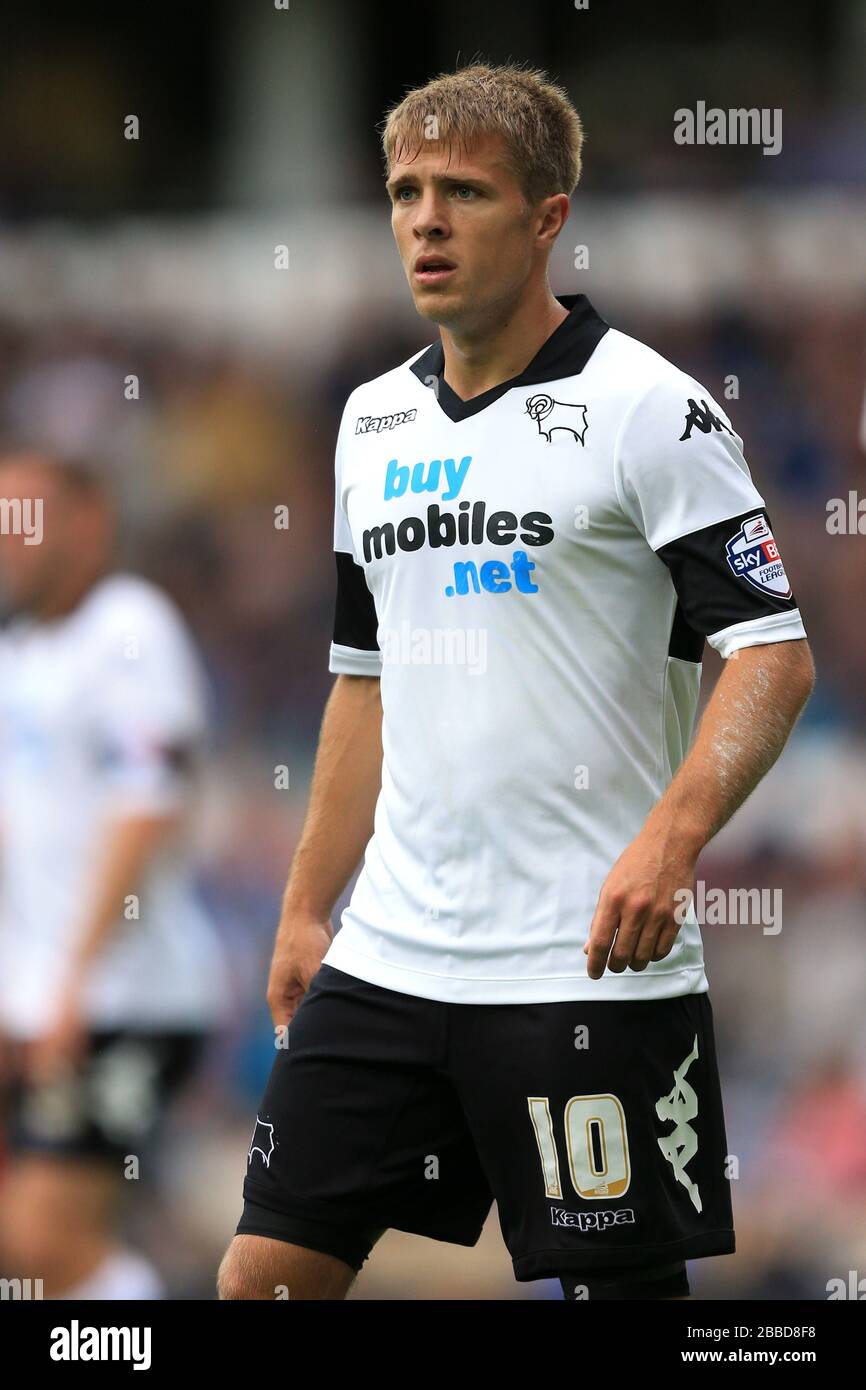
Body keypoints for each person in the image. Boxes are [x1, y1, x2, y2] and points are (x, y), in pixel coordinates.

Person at [218, 62, 815, 1302]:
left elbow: (769, 652)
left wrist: (670, 841)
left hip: (580, 961)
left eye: (464, 192)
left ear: (546, 216)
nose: (424, 221)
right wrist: (302, 905)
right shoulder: (369, 423)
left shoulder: (650, 408)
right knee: (262, 1275)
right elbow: (360, 680)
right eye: (404, 191)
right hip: (392, 953)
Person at [0, 450, 228, 1299]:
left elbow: (148, 805)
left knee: (45, 1233)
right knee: (32, 1241)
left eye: (25, 516)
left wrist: (71, 977)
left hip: (127, 996)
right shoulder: (20, 652)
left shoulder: (129, 626)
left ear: (88, 521)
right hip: (44, 998)